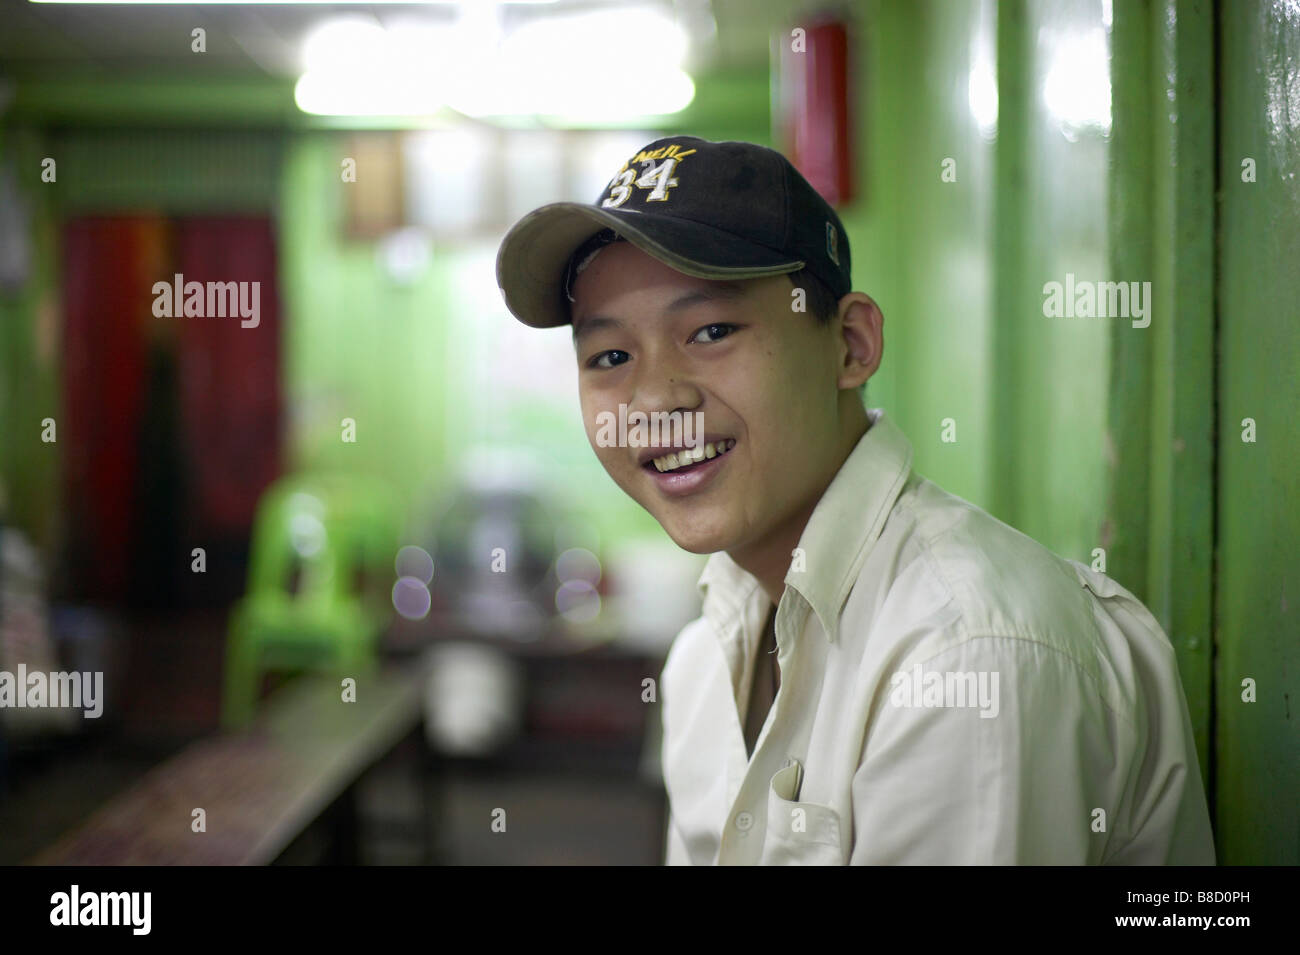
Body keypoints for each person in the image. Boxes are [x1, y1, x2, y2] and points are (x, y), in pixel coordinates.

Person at [495, 135, 1216, 865]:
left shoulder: (966, 656)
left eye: (712, 330)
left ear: (850, 344)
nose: (654, 400)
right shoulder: (703, 660)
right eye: (610, 357)